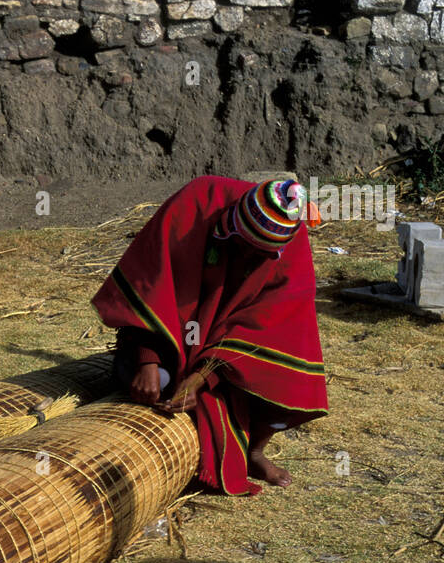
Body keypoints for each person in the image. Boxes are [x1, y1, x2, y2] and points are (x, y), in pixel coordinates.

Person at [92, 176, 328, 495]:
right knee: (158, 383)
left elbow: (271, 324)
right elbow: (151, 282)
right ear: (230, 225)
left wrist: (204, 376)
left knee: (287, 382)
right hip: (169, 338)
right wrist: (147, 360)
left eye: (256, 254)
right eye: (242, 247)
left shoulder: (290, 242)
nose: (245, 257)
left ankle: (254, 451)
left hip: (222, 350)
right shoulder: (193, 206)